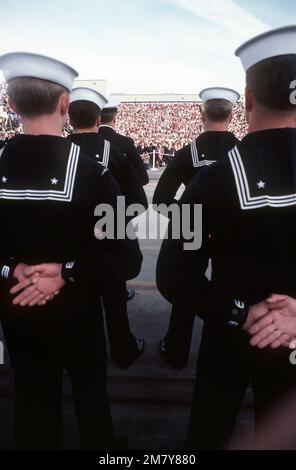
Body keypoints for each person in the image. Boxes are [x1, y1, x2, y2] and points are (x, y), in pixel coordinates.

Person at [157, 25, 296, 449]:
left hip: (228, 332)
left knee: (210, 430)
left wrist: (240, 313)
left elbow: (172, 275)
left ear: (249, 99)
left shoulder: (211, 181)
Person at [0, 52, 142, 449]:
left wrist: (14, 271)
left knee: (31, 395)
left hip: (15, 308)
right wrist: (67, 272)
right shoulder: (94, 173)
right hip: (78, 311)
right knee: (90, 395)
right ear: (65, 103)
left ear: (11, 104)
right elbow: (128, 258)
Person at [153, 87, 239, 368]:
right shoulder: (244, 151)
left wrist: (191, 221)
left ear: (201, 115)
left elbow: (161, 199)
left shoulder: (187, 153)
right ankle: (226, 355)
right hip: (235, 232)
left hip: (195, 228)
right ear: (231, 114)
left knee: (189, 288)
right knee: (233, 290)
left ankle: (177, 350)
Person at [68, 87, 146, 367]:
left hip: (71, 247)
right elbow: (138, 200)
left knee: (78, 305)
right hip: (112, 242)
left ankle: (84, 358)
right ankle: (123, 351)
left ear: (69, 116)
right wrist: (110, 224)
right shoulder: (115, 152)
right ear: (98, 119)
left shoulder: (58, 151)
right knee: (115, 302)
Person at [100, 101, 149, 186]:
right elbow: (143, 177)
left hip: (91, 198)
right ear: (114, 119)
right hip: (120, 196)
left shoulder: (86, 141)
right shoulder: (126, 142)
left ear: (98, 119)